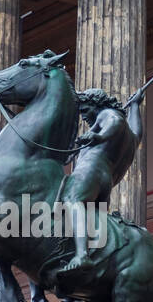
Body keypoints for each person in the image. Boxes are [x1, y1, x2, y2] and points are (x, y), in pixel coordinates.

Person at [60, 88, 143, 271]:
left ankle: (82, 254)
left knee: (73, 202)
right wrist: (135, 105)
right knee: (90, 222)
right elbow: (137, 134)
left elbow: (114, 120)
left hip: (91, 173)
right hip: (104, 183)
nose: (83, 116)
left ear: (95, 104)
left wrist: (98, 135)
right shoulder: (127, 136)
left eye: (84, 110)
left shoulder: (107, 115)